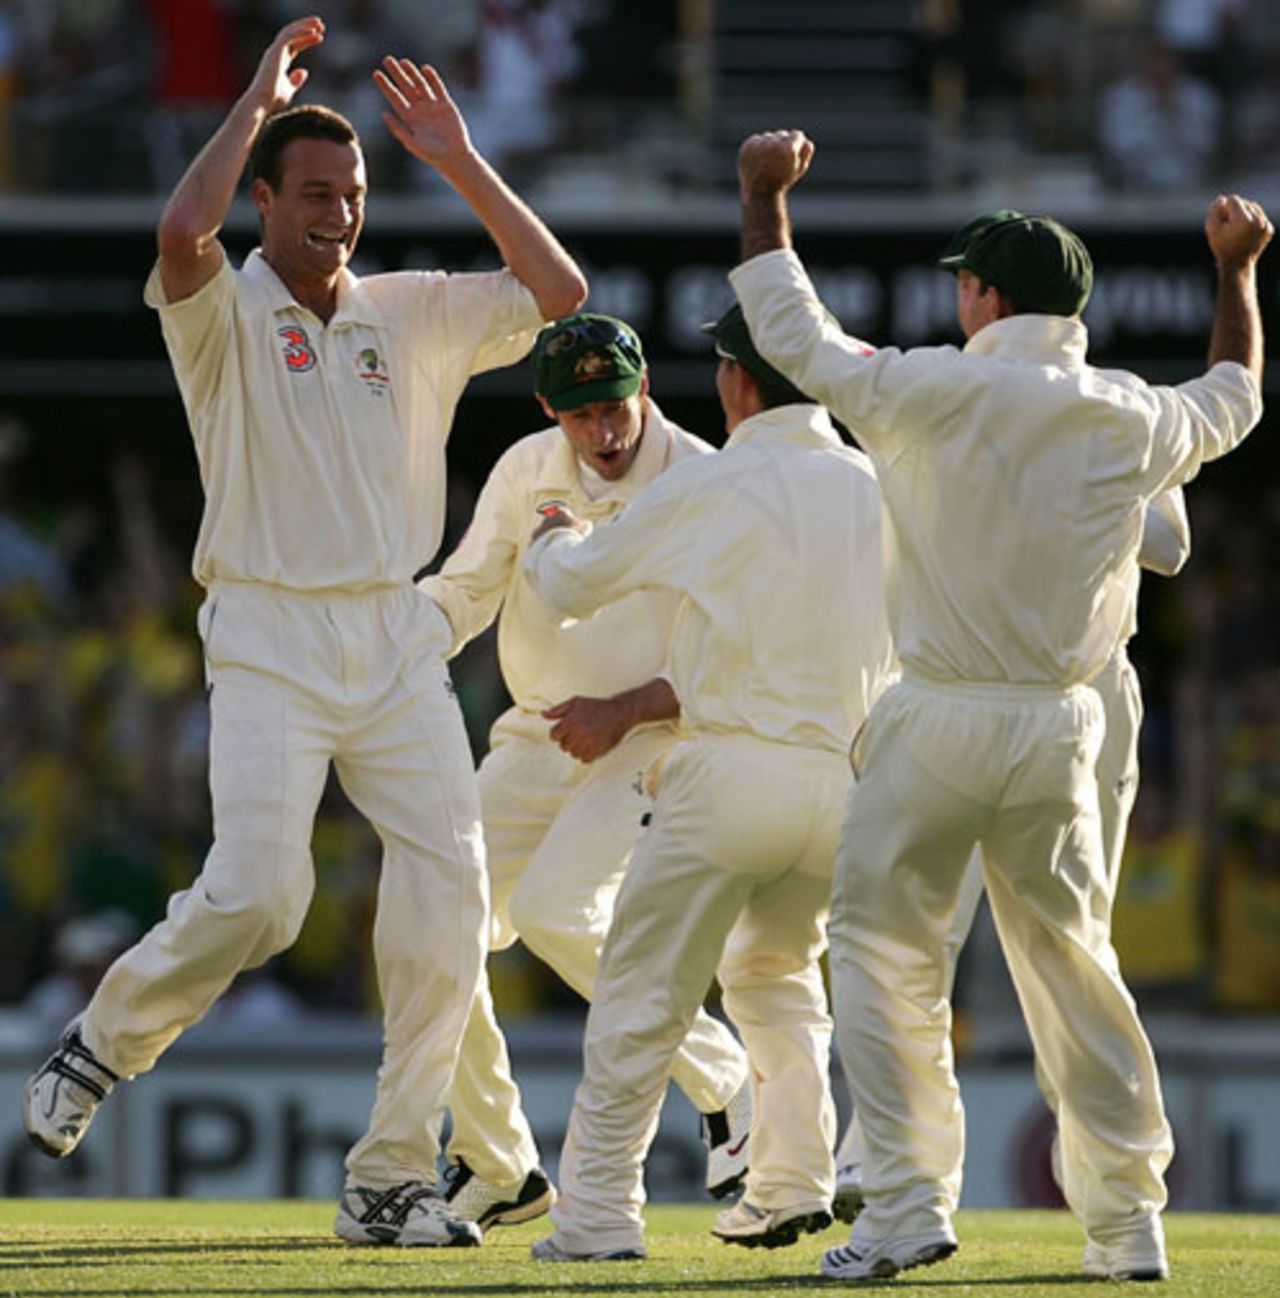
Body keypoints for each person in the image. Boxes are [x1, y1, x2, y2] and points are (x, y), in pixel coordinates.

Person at [22, 14, 586, 1252]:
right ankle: (102, 1042)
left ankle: (388, 1176)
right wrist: (255, 99)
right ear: (265, 201)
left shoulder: (413, 311)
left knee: (451, 898)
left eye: (355, 192)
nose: (338, 211)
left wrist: (456, 160)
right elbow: (179, 233)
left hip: (394, 637)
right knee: (265, 897)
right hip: (268, 632)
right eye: (314, 191)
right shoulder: (218, 316)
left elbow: (561, 295)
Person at [731, 131, 1269, 1283]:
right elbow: (1234, 394)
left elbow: (791, 338)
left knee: (879, 953)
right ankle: (1126, 1226)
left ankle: (906, 1206)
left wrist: (762, 198)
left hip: (935, 713)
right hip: (1064, 727)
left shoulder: (930, 383)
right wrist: (1234, 272)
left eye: (962, 284)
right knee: (1074, 966)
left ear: (984, 295)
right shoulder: (1125, 412)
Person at [829, 216, 1193, 1227]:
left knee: (1040, 947)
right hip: (1016, 693)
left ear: (988, 297)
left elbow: (1168, 543)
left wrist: (1028, 472)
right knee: (961, 935)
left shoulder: (1089, 409)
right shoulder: (1092, 407)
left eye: (967, 287)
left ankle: (982, 1187)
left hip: (1066, 690)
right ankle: (891, 1160)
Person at [521, 303, 896, 1261]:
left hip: (729, 768)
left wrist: (553, 531)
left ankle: (598, 1218)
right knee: (776, 981)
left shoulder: (720, 482)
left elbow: (572, 587)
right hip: (842, 786)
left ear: (734, 383)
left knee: (643, 999)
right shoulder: (875, 484)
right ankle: (787, 1185)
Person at [417, 311, 753, 1231]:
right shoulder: (527, 467)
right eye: (581, 415)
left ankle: (728, 1080)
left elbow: (744, 646)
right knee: (431, 920)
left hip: (652, 739)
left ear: (643, 390)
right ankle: (497, 1164)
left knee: (556, 913)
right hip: (536, 736)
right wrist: (386, 638)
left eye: (615, 407)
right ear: (548, 409)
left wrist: (631, 709)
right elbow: (470, 586)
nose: (603, 434)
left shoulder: (702, 478)